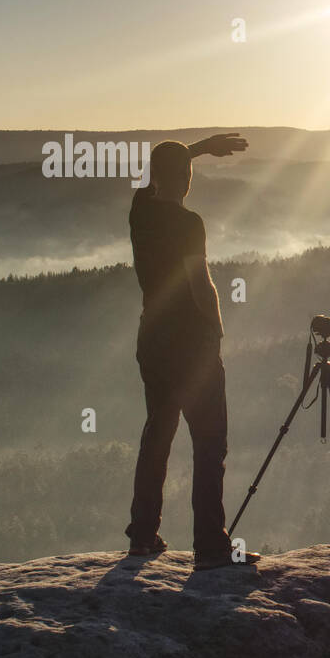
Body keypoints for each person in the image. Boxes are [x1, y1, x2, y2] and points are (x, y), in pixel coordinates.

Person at [124, 134, 261, 571]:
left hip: (151, 339)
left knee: (157, 436)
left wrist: (196, 150)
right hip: (190, 344)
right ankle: (210, 547)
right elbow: (200, 284)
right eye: (188, 172)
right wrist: (216, 329)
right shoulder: (189, 224)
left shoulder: (140, 211)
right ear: (186, 178)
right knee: (209, 441)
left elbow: (152, 174)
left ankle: (142, 536)